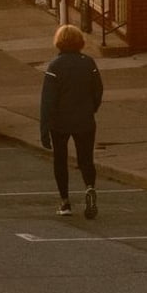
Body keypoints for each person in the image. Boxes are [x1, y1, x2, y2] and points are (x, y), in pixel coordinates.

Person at [39, 23, 104, 217]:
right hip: (84, 120)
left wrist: (44, 129)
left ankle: (65, 202)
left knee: (60, 160)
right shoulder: (89, 63)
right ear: (80, 42)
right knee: (86, 159)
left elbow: (47, 101)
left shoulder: (54, 67)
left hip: (60, 122)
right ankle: (90, 186)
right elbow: (98, 91)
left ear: (59, 42)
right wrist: (91, 108)